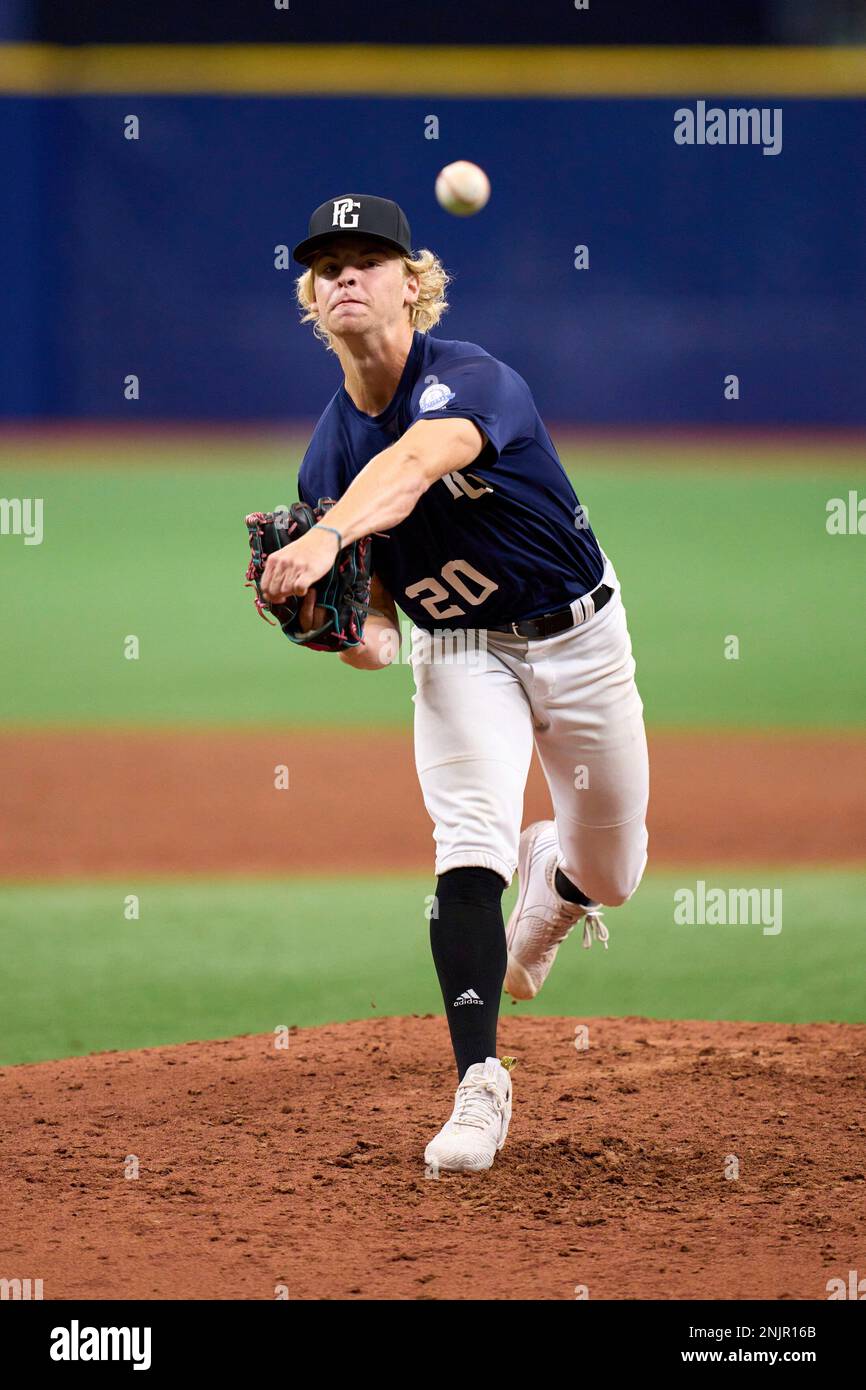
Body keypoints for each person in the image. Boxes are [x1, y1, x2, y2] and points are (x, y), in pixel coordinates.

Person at [261, 194, 649, 1175]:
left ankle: (558, 878)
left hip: (580, 638)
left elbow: (417, 461)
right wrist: (353, 637)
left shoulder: (471, 378)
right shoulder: (326, 459)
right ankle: (479, 1081)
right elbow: (381, 618)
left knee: (616, 871)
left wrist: (326, 534)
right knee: (464, 841)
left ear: (412, 284)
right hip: (460, 652)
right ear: (312, 298)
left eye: (367, 258)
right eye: (326, 264)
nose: (345, 273)